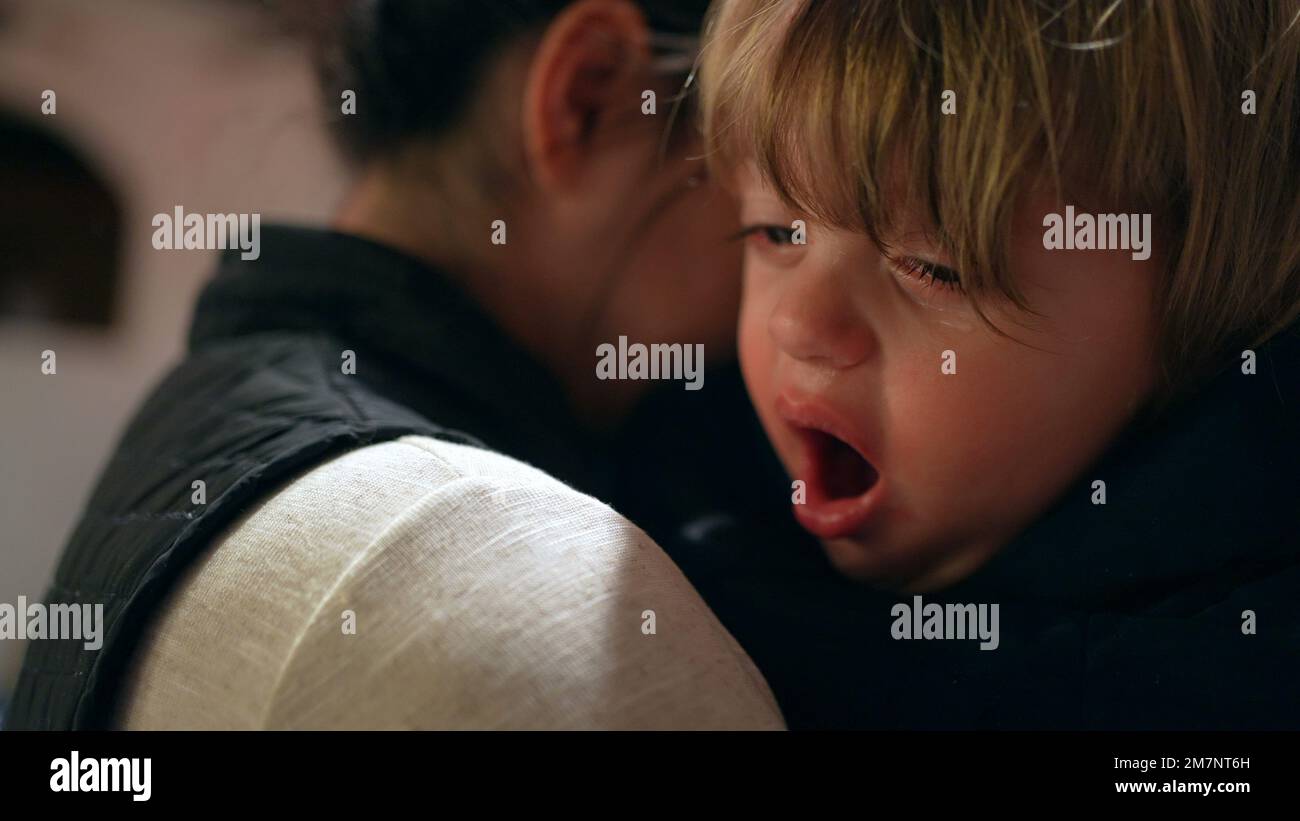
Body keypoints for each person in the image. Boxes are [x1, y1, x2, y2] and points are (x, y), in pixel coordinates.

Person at [6, 0, 782, 730]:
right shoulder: (497, 561)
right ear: (590, 92)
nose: (809, 316)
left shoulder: (200, 409)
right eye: (781, 198)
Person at [662, 0, 1300, 729]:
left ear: (1215, 294)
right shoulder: (674, 487)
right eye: (777, 231)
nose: (799, 324)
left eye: (935, 268)